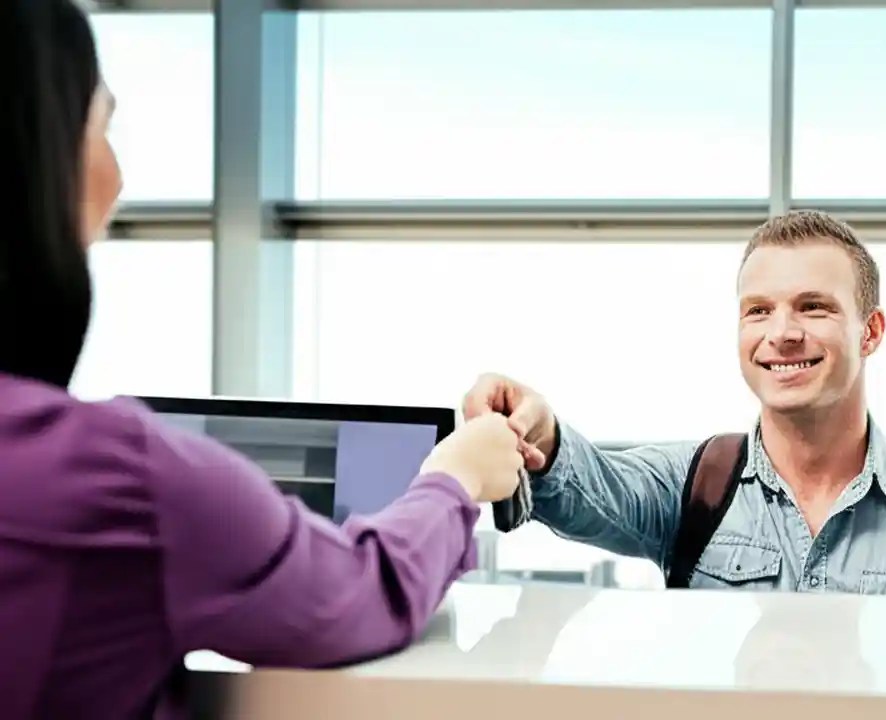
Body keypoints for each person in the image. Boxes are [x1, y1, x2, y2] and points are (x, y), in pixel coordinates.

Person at [0, 3, 524, 718]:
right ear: (42, 154)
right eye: (102, 125)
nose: (118, 179)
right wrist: (454, 478)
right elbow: (364, 590)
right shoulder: (115, 478)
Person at [465, 209, 886, 599]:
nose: (782, 333)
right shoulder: (692, 488)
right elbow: (593, 491)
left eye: (814, 307)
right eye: (758, 310)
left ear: (871, 332)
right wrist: (539, 436)